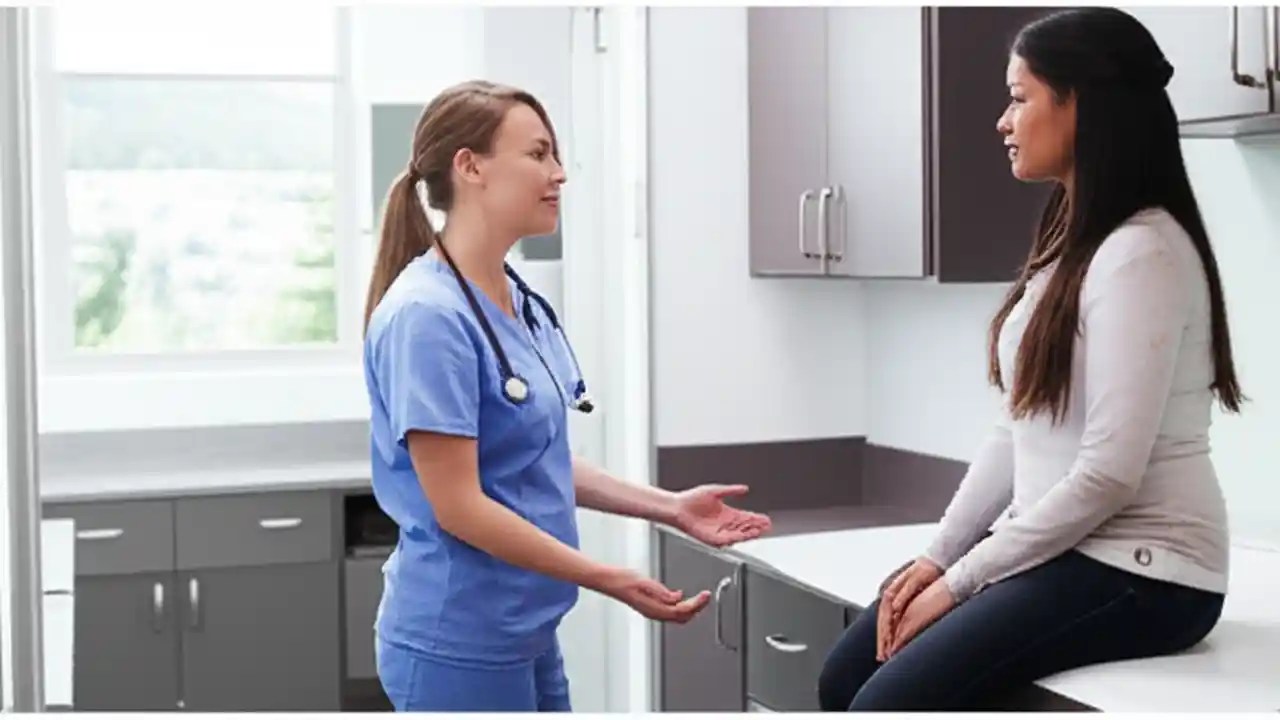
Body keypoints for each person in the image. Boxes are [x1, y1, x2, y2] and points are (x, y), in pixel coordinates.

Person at [817, 8, 1243, 711]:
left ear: (1082, 106)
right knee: (844, 675)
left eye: (1020, 98)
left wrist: (959, 584)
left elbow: (1108, 475)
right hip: (1074, 549)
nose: (1002, 121)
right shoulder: (1075, 243)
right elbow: (1019, 428)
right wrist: (937, 558)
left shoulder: (1144, 253)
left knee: (881, 705)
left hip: (1151, 572)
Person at [361, 80, 773, 712]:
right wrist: (609, 578)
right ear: (470, 167)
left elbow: (533, 458)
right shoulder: (429, 316)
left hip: (525, 632)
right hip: (458, 642)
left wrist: (671, 508)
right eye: (538, 154)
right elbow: (461, 507)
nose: (558, 174)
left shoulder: (515, 300)